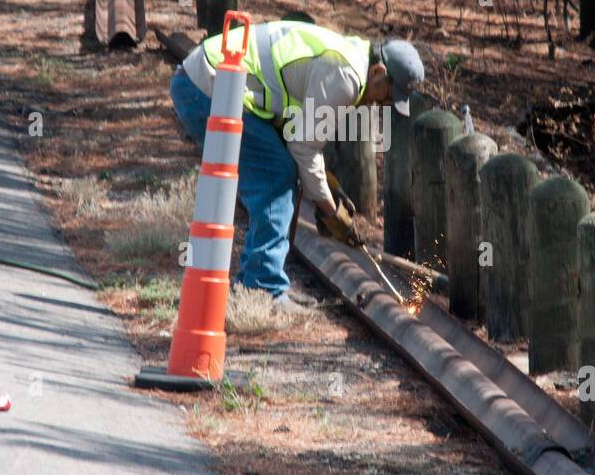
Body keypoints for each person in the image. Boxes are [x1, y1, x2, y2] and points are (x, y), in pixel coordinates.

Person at [170, 18, 423, 309]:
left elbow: (298, 136)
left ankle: (262, 282)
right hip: (209, 84)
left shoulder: (350, 57)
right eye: (387, 96)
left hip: (214, 79)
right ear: (379, 72)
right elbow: (303, 149)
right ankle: (262, 288)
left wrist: (327, 187)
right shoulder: (347, 75)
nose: (381, 104)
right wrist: (332, 213)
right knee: (277, 177)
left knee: (282, 170)